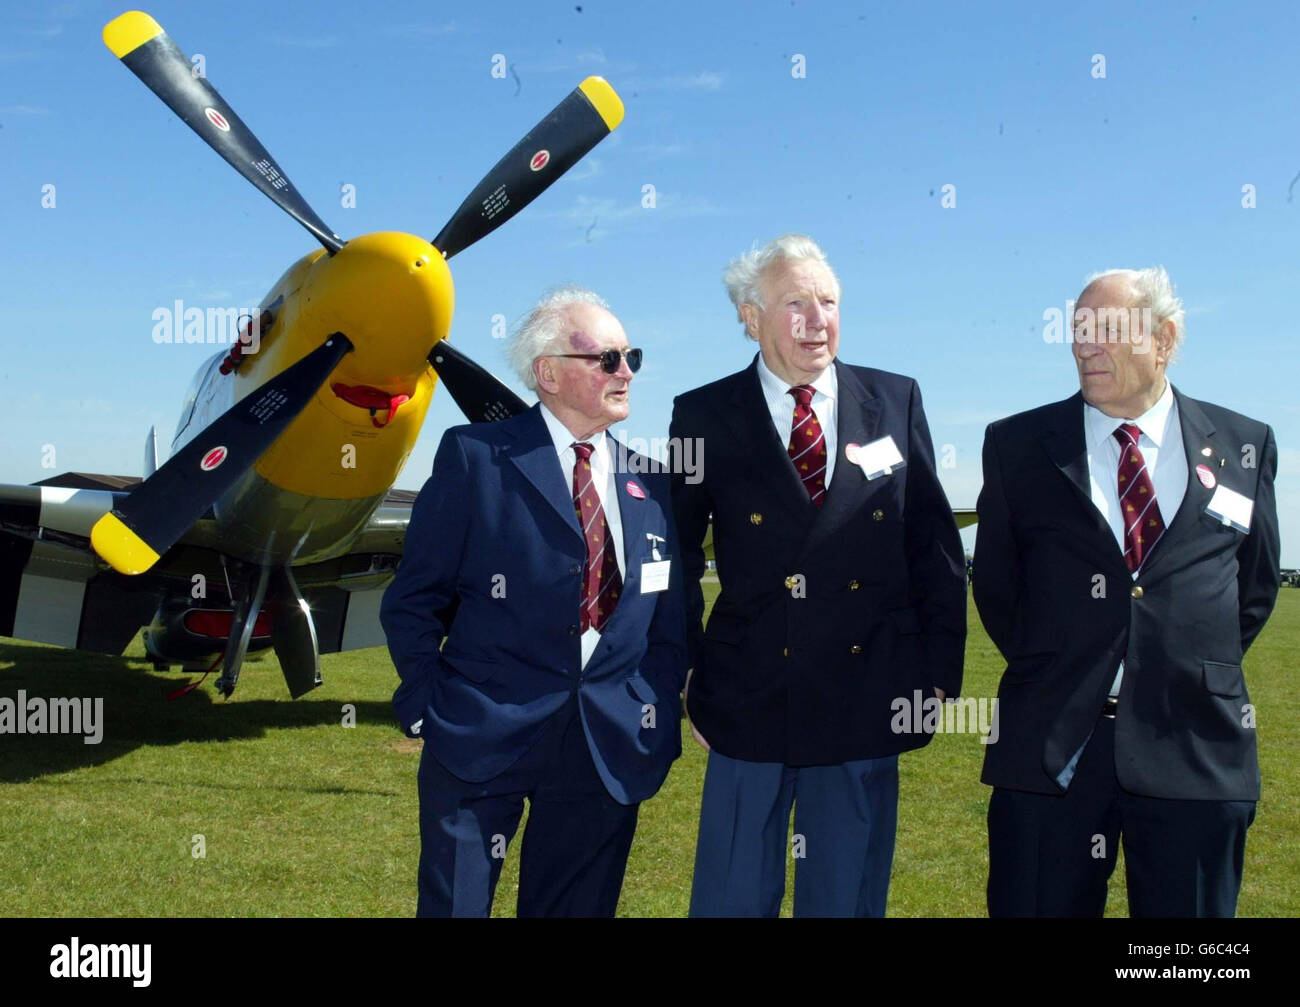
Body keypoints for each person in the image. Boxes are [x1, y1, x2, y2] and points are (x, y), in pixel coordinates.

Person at [670, 234, 967, 917]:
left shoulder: (896, 399)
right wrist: (684, 669)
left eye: (828, 302)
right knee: (731, 897)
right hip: (745, 699)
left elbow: (933, 545)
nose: (817, 320)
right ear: (750, 316)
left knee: (845, 897)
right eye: (794, 303)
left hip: (865, 696)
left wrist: (939, 674)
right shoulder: (699, 414)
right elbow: (678, 555)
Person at [975, 267, 1281, 917]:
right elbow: (999, 588)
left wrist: (1177, 663)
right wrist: (1061, 663)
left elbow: (1250, 589)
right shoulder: (1017, 447)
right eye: (1078, 331)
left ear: (1164, 338)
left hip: (1195, 747)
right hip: (1051, 749)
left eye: (1106, 329)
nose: (1085, 346)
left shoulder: (1244, 445)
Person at [381, 286, 686, 917]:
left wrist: (648, 704)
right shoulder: (478, 458)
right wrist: (424, 704)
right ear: (547, 373)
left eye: (631, 356)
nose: (626, 371)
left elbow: (671, 621)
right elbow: (414, 600)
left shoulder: (650, 483)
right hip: (478, 736)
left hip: (605, 745)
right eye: (606, 358)